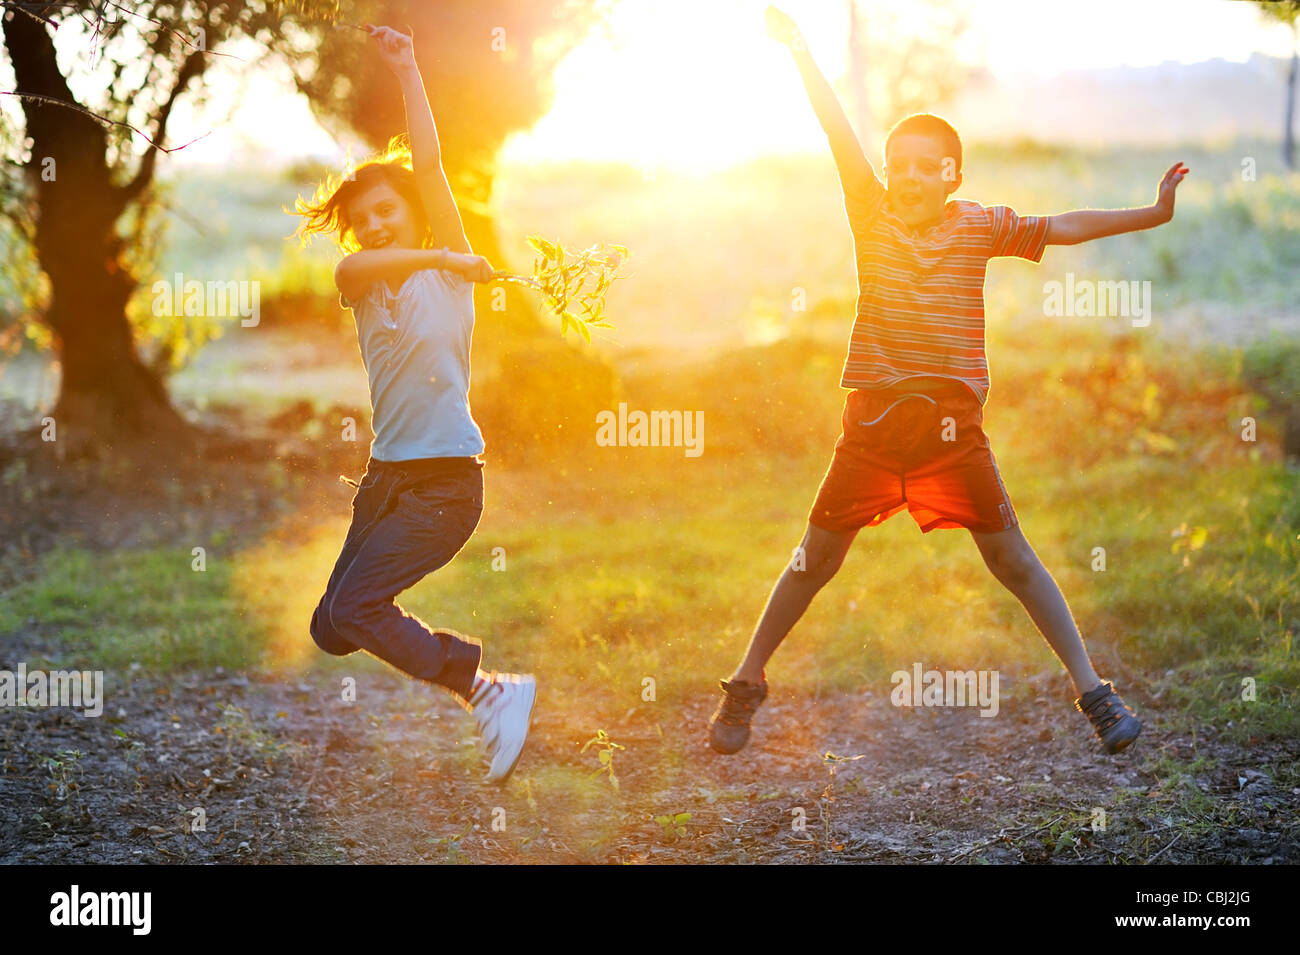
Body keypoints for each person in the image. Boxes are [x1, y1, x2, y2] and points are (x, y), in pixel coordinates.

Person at [709, 6, 1189, 758]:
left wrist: (1152, 214)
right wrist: (799, 50)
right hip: (871, 432)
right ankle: (746, 681)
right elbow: (836, 128)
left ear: (951, 175)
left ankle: (1095, 692)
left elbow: (1063, 225)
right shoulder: (869, 212)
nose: (906, 176)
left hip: (950, 437)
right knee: (812, 562)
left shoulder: (979, 225)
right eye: (896, 163)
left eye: (923, 166)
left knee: (1012, 561)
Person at [295, 25, 534, 784]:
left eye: (386, 211)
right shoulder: (363, 282)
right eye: (362, 218)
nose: (373, 224)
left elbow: (429, 166)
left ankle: (485, 688)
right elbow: (352, 266)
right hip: (385, 480)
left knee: (356, 609)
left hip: (446, 484)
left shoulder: (449, 281)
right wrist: (443, 253)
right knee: (331, 627)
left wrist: (406, 68)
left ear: (415, 211)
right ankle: (478, 681)